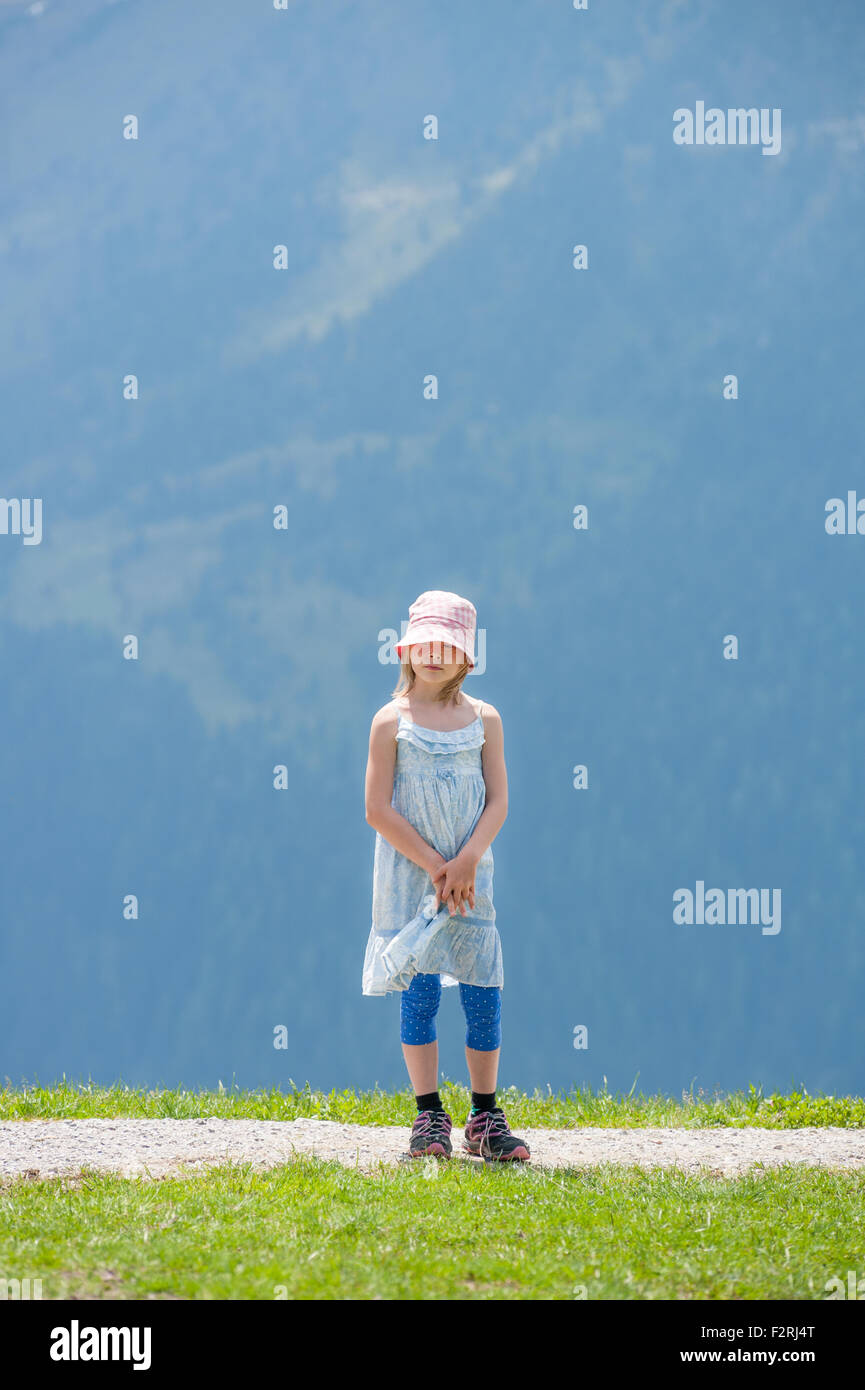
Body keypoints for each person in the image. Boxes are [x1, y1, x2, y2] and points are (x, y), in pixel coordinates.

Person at [363, 590, 530, 1163]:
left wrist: (467, 861)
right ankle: (428, 1115)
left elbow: (499, 800)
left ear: (466, 657)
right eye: (424, 644)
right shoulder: (390, 722)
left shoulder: (485, 720)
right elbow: (377, 809)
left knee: (484, 990)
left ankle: (485, 1115)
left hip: (470, 877)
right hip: (415, 879)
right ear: (406, 651)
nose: (435, 655)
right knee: (421, 991)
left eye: (447, 645)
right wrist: (437, 865)